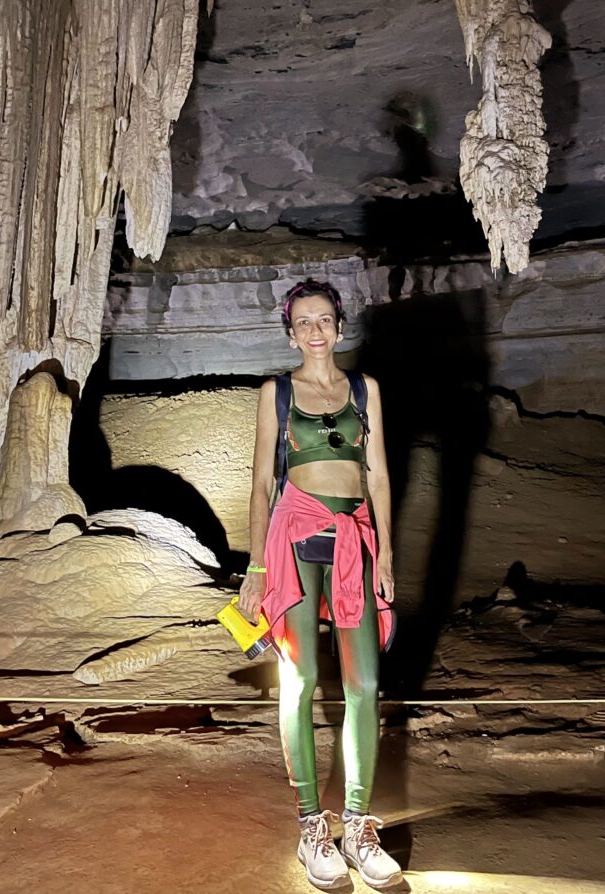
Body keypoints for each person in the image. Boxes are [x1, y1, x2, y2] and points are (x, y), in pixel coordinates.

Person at [238, 279, 402, 891]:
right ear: (290, 333)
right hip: (294, 535)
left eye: (324, 319)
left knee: (365, 683)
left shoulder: (365, 390)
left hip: (355, 535)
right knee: (301, 676)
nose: (315, 330)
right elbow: (262, 482)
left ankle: (358, 826)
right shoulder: (277, 393)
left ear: (339, 326)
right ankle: (312, 825)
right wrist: (256, 567)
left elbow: (378, 476)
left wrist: (386, 552)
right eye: (303, 322)